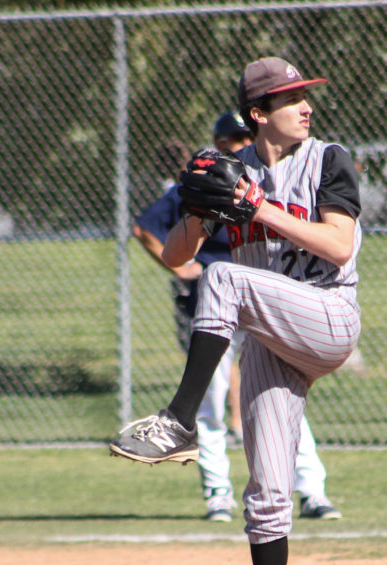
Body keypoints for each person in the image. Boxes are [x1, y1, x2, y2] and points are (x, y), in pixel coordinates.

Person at [111, 57, 362, 565]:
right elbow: (178, 257)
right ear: (258, 114)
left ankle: (179, 422)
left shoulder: (329, 159)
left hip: (328, 317)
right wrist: (200, 208)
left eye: (306, 95)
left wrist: (259, 207)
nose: (306, 105)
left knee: (223, 278)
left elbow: (339, 246)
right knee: (267, 494)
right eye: (291, 98)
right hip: (270, 340)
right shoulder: (233, 171)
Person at [132, 116, 341, 522]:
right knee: (210, 402)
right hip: (214, 307)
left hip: (264, 303)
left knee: (284, 396)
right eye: (228, 139)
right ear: (216, 142)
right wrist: (182, 268)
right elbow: (146, 230)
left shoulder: (273, 181)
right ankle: (217, 495)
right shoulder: (205, 182)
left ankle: (312, 491)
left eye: (243, 137)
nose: (237, 144)